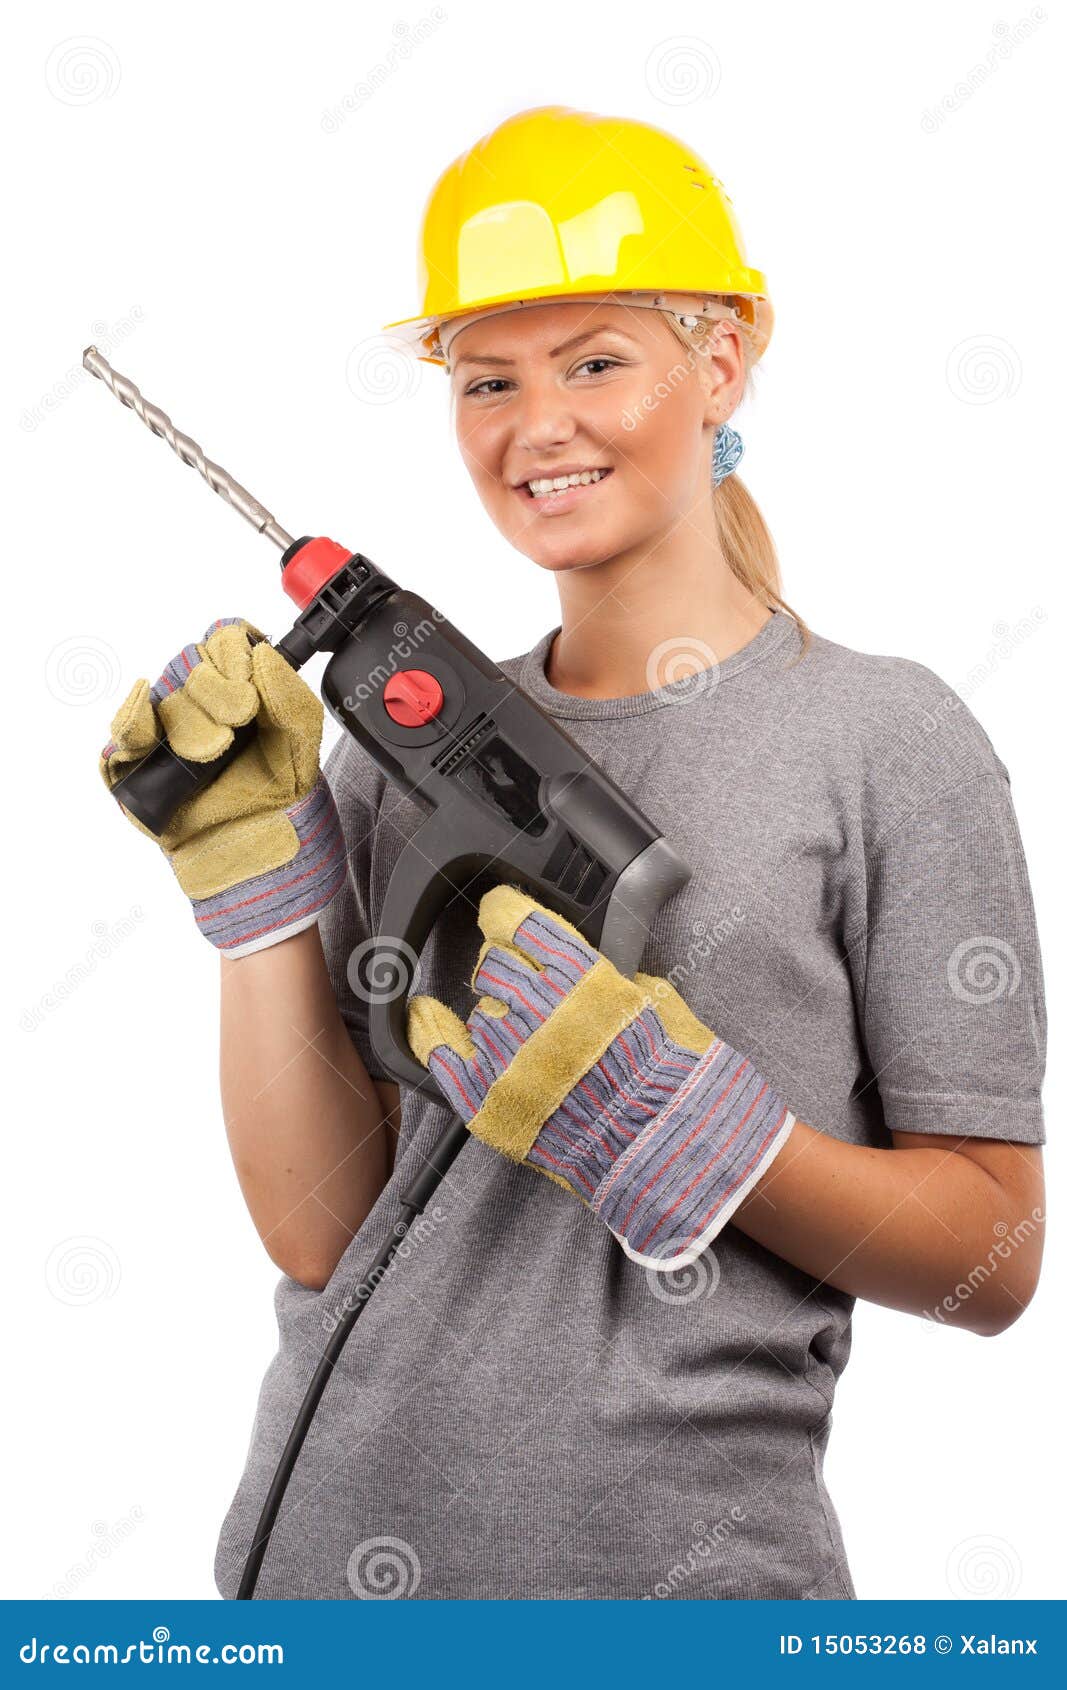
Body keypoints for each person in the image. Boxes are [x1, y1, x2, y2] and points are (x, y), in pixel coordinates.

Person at [100, 106, 1047, 1600]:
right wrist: (259, 900)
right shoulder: (404, 735)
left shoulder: (890, 741)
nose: (536, 425)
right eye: (488, 378)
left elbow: (994, 1260)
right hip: (322, 1583)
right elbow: (316, 1226)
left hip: (680, 1598)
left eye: (597, 358)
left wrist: (718, 1146)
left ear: (722, 358)